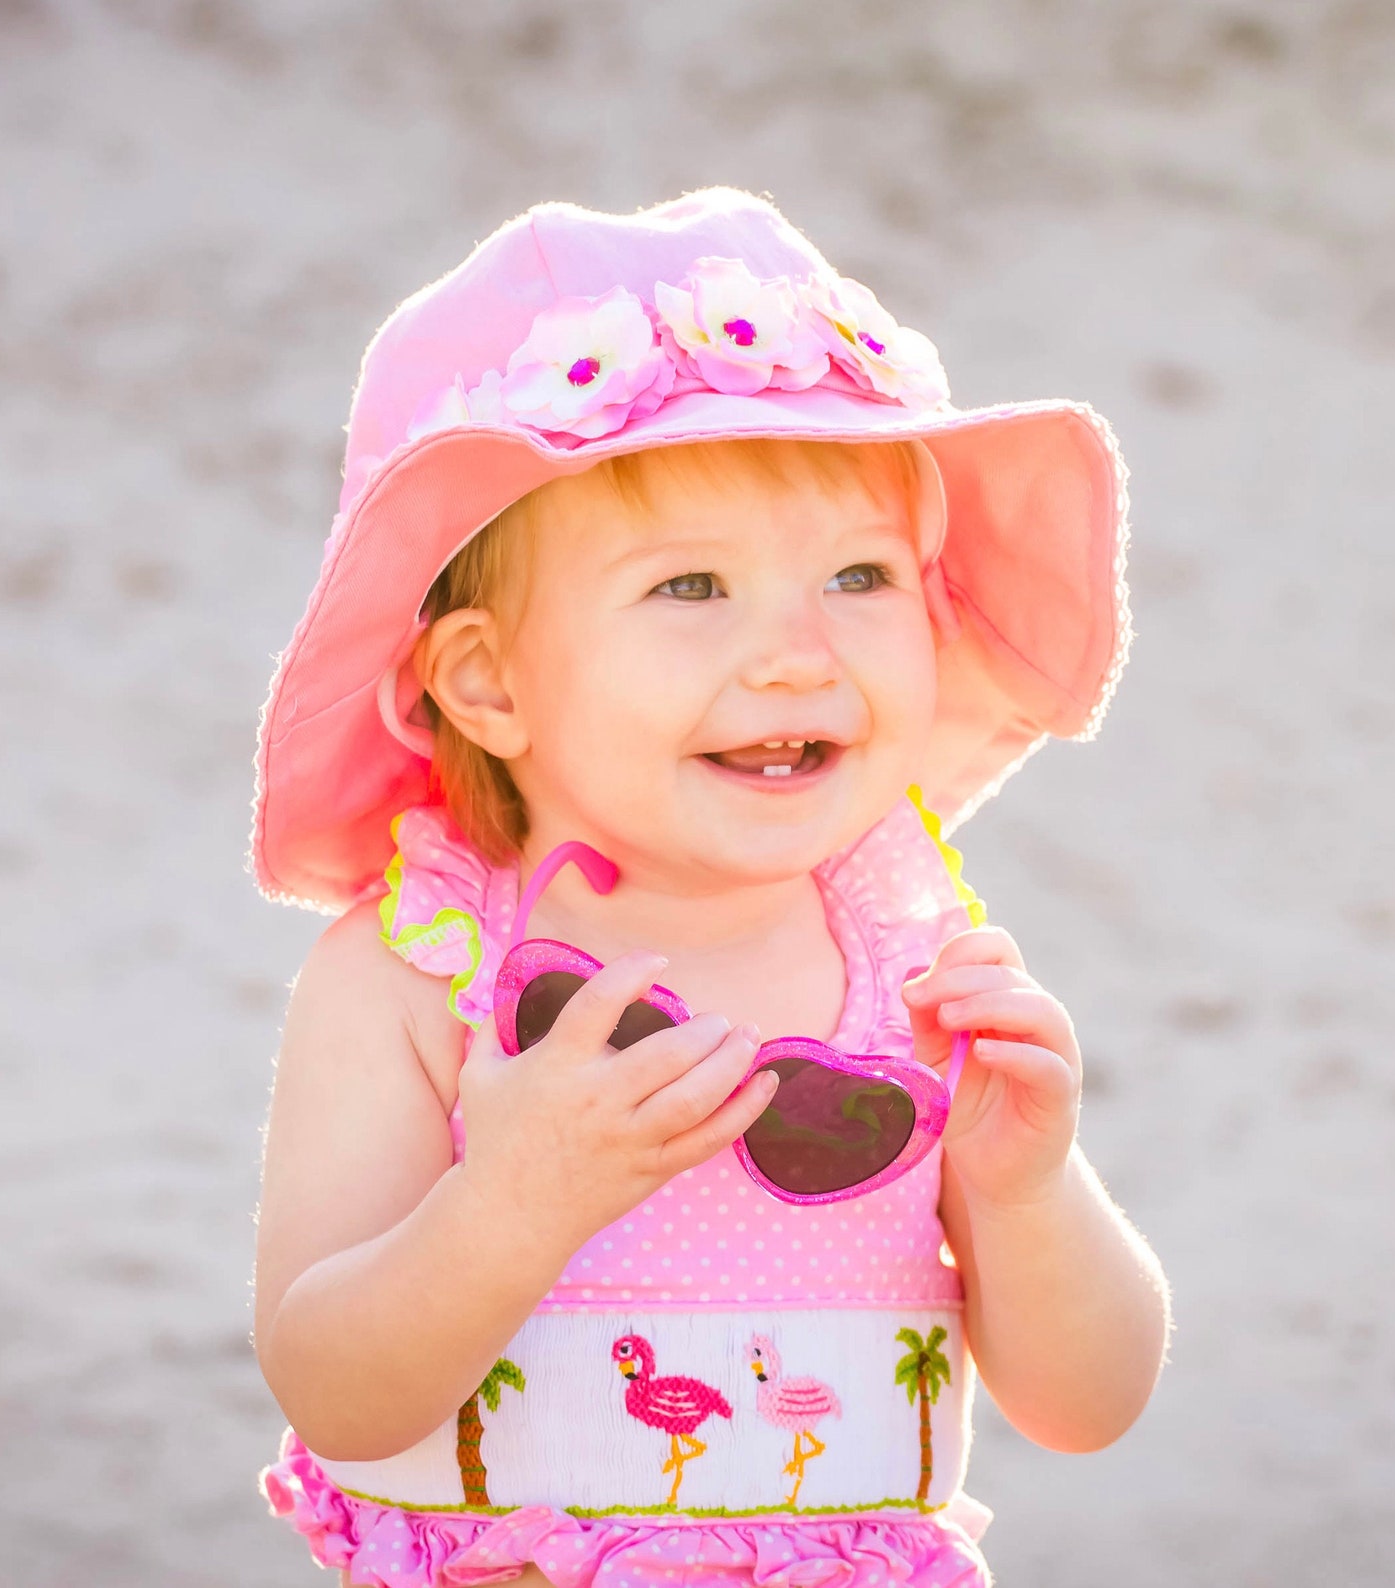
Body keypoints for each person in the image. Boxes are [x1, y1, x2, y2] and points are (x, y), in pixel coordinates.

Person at [251, 187, 1169, 1588]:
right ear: (491, 680)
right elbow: (337, 1390)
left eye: (860, 576)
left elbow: (1086, 1406)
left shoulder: (917, 965)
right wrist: (510, 1201)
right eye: (691, 589)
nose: (800, 654)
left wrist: (1025, 1186)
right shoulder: (421, 968)